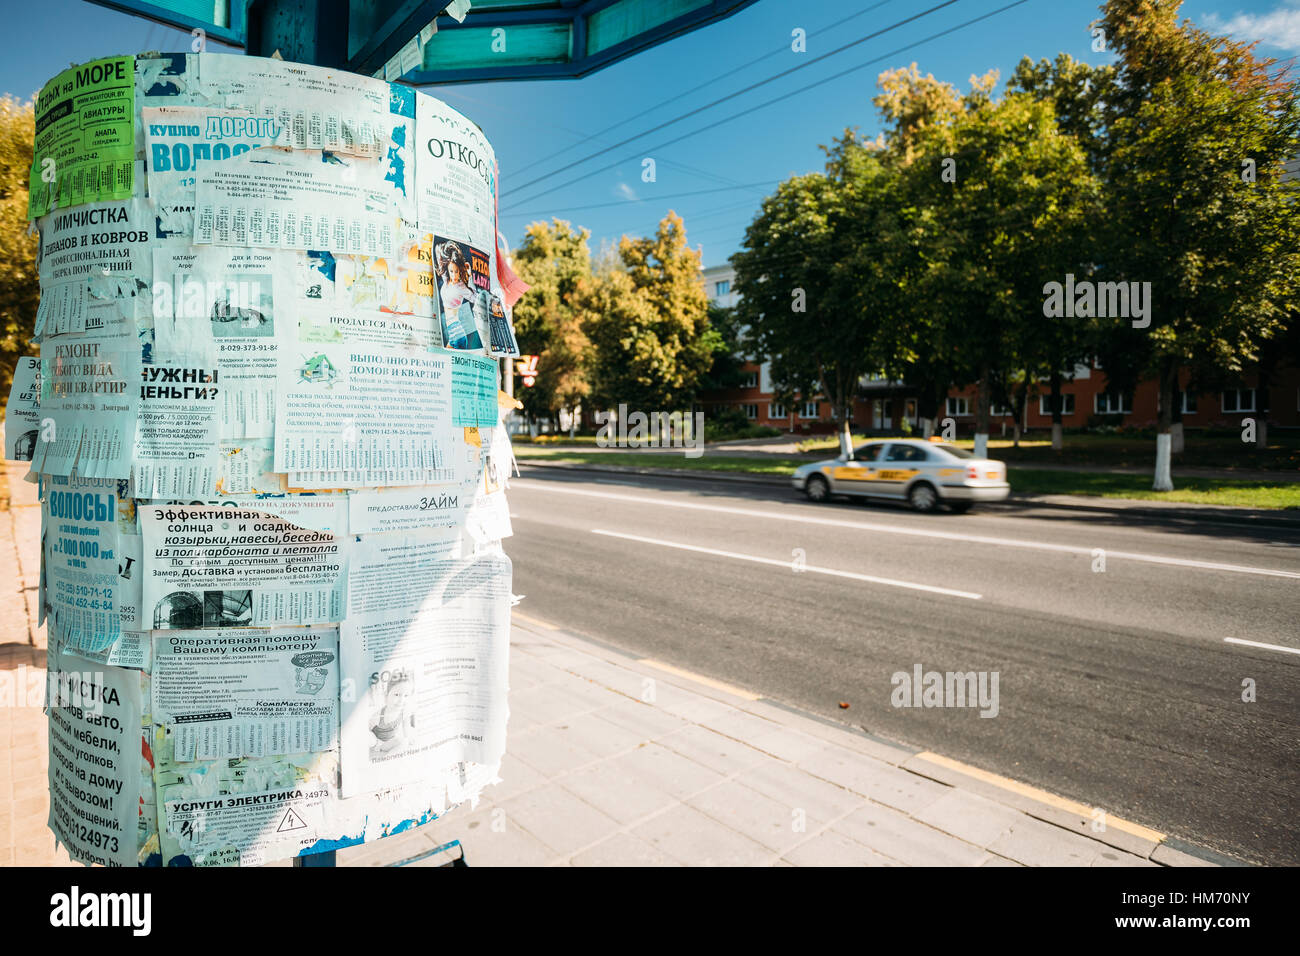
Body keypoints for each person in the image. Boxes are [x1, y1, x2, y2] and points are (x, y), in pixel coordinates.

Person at [435, 241, 483, 350]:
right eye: (452, 271)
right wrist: (447, 250)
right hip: (453, 331)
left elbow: (476, 299)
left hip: (456, 331)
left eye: (457, 271)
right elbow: (438, 251)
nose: (454, 275)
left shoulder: (461, 286)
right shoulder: (446, 280)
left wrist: (470, 278)